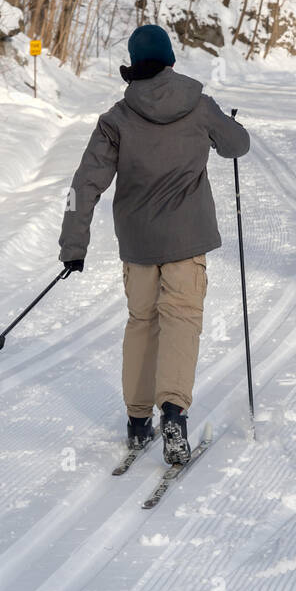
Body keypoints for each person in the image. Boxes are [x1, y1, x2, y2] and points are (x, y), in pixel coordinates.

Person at [59, 24, 249, 464]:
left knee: (141, 322)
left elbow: (85, 184)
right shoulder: (200, 106)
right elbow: (237, 146)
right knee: (181, 320)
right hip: (187, 239)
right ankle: (175, 416)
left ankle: (138, 422)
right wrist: (228, 124)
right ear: (170, 61)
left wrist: (74, 244)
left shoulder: (116, 119)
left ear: (133, 67)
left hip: (138, 243)